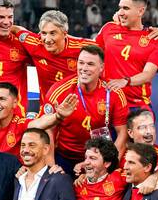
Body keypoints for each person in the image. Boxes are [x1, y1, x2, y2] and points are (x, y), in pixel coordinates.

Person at [38, 44, 131, 174]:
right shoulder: (59, 91)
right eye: (81, 63)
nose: (84, 68)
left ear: (101, 68)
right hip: (65, 157)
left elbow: (122, 133)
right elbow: (47, 130)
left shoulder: (113, 92)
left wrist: (107, 168)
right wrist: (52, 167)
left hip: (99, 158)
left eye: (90, 64)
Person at [97, 0, 158, 113]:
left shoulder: (154, 38)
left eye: (126, 8)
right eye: (120, 8)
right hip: (107, 103)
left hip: (136, 106)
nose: (120, 13)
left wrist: (125, 81)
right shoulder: (108, 28)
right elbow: (92, 55)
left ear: (140, 11)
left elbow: (148, 74)